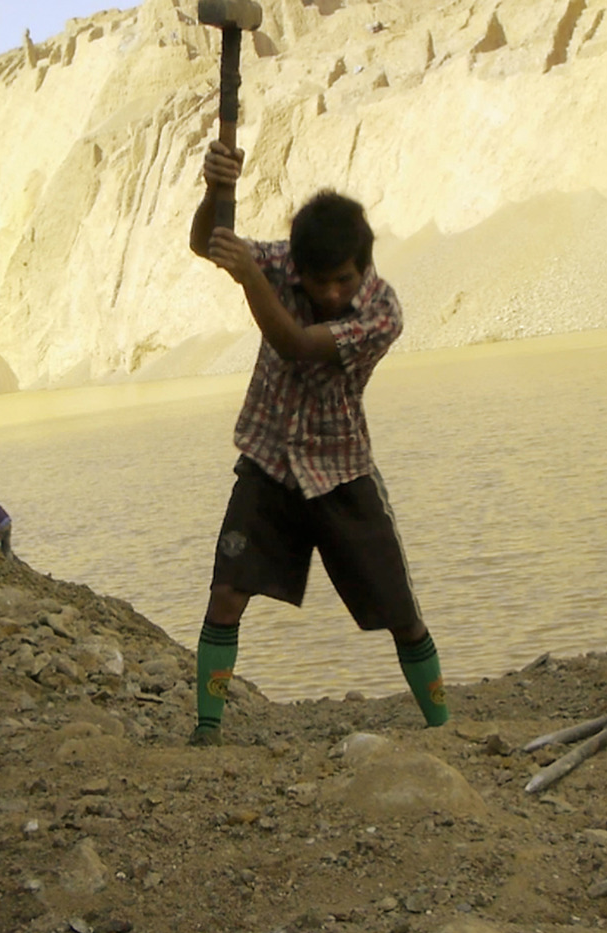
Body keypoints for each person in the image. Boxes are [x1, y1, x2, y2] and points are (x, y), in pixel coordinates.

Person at [185, 141, 449, 746]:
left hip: (342, 472)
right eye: (319, 281)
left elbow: (298, 346)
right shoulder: (281, 263)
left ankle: (443, 725)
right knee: (227, 592)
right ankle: (206, 729)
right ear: (296, 266)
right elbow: (208, 243)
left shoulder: (382, 312)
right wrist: (215, 190)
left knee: (399, 610)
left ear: (364, 266)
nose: (332, 292)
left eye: (344, 279)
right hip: (269, 461)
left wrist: (250, 278)